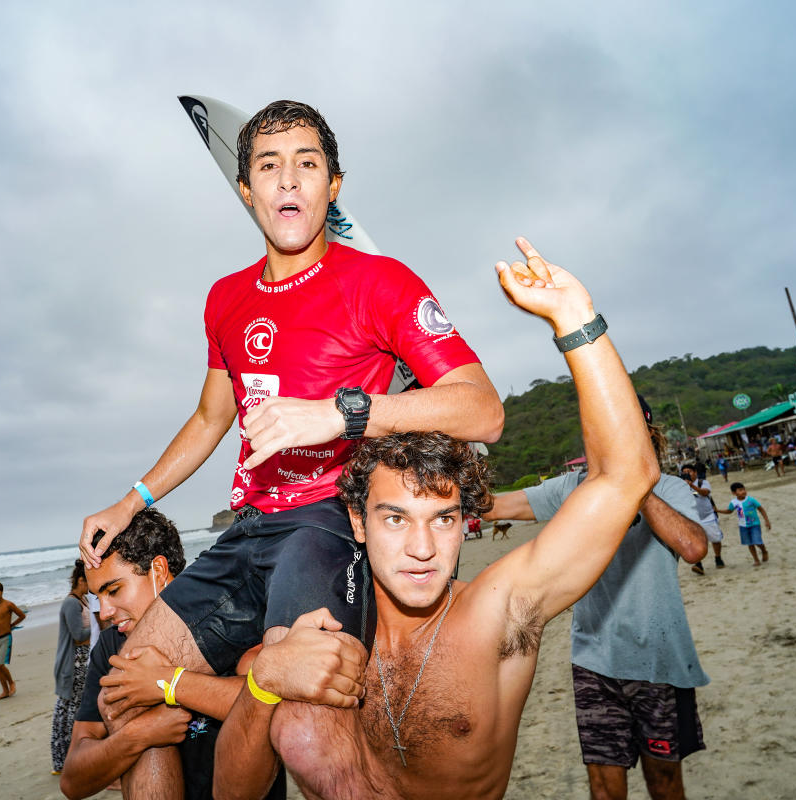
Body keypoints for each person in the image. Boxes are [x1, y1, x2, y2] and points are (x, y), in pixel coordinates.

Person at [78, 99, 503, 794]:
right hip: (248, 529)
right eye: (269, 166)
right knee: (126, 690)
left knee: (302, 728)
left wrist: (343, 413)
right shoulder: (226, 299)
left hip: (329, 521)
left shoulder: (380, 281)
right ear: (247, 190)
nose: (288, 179)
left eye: (307, 164)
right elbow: (211, 416)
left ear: (333, 185)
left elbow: (482, 409)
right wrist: (131, 502)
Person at [211, 238, 661, 799]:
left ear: (464, 522)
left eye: (443, 519)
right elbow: (232, 792)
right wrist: (263, 685)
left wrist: (574, 320)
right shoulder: (315, 630)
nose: (422, 548)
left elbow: (626, 476)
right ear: (357, 521)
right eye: (395, 519)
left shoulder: (498, 615)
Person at [481, 397, 710, 800]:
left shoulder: (669, 488)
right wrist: (458, 464)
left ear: (644, 434)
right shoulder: (574, 487)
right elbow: (493, 508)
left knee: (665, 785)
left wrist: (635, 483)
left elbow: (693, 547)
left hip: (659, 662)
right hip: (594, 662)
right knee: (603, 789)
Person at [60, 507, 286, 800]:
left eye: (113, 591)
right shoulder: (111, 646)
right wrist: (139, 734)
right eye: (97, 598)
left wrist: (167, 683)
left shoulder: (229, 616)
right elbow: (73, 781)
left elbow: (277, 703)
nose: (104, 613)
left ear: (158, 571)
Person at [51, 561, 92, 774]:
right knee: (68, 712)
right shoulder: (71, 603)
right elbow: (78, 635)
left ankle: (67, 759)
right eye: (88, 582)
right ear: (80, 580)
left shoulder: (81, 600)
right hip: (73, 663)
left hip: (80, 661)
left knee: (70, 709)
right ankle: (64, 760)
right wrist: (99, 627)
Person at [681, 464, 725, 574]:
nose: (687, 474)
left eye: (689, 471)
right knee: (695, 541)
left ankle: (718, 557)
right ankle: (698, 564)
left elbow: (705, 493)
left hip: (707, 516)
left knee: (715, 539)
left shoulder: (702, 482)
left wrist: (692, 486)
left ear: (695, 472)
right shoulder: (681, 486)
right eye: (684, 472)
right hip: (692, 518)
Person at [0, 581, 25, 700]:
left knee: (0, 665)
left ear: (2, 591)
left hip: (5, 638)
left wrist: (12, 625)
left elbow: (22, 615)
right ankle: (5, 691)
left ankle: (11, 682)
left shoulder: (8, 605)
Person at [717, 482, 772, 567]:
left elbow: (761, 509)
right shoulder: (733, 502)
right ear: (734, 493)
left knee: (757, 541)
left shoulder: (751, 500)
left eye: (744, 489)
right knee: (750, 544)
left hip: (754, 524)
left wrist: (767, 521)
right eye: (740, 490)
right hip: (743, 526)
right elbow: (729, 511)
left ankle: (764, 550)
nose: (743, 491)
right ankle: (756, 559)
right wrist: (718, 510)